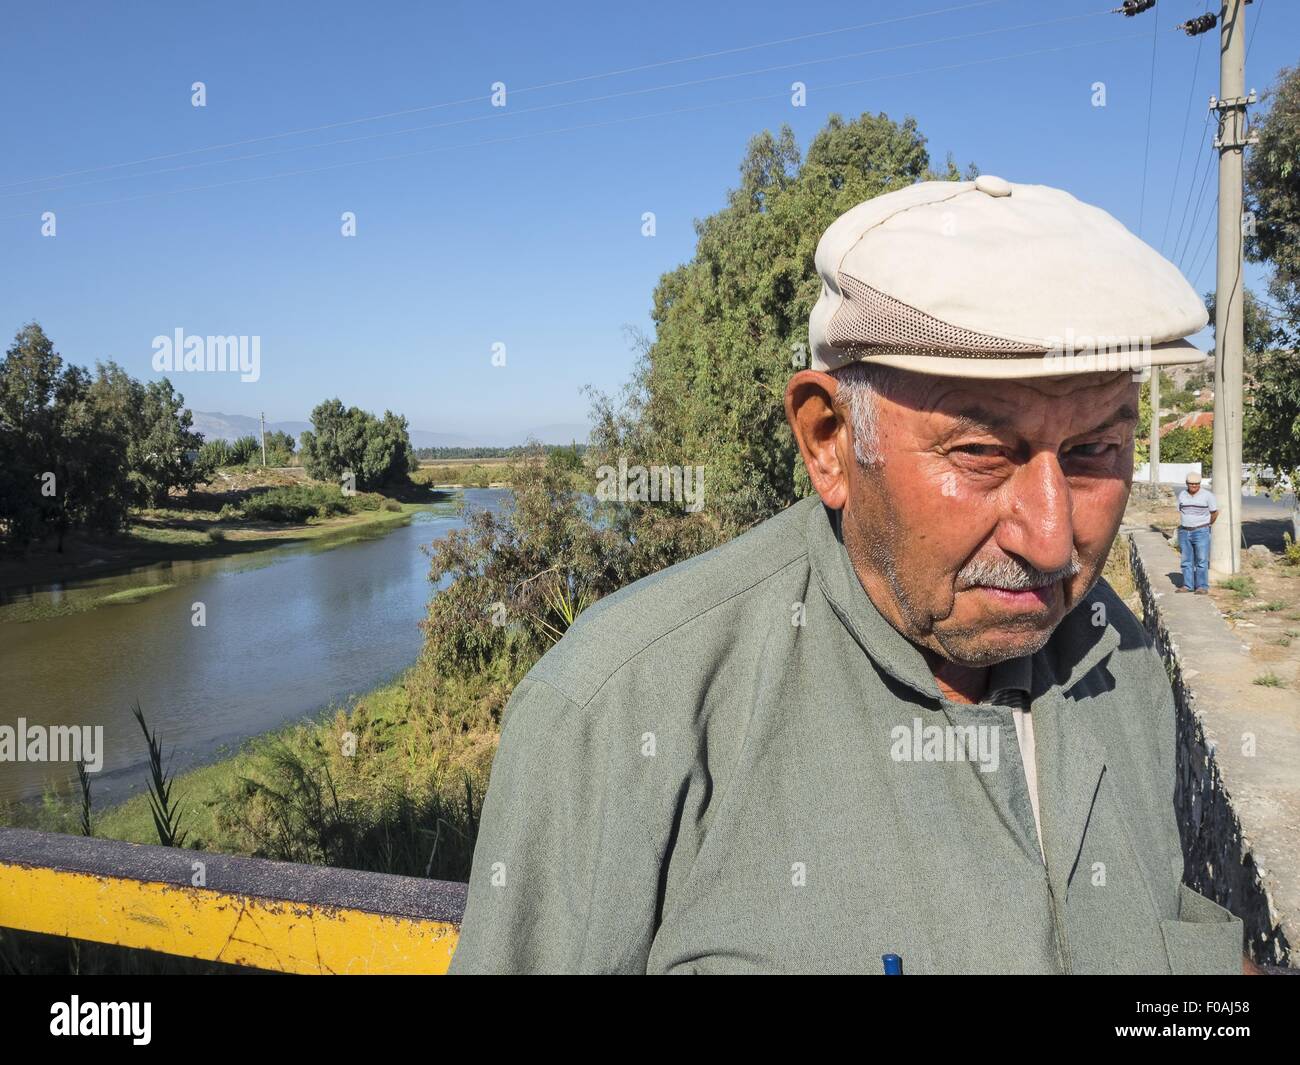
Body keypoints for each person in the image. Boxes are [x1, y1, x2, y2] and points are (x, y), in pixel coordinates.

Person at [450, 177, 1248, 974]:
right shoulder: (620, 713)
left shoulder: (1124, 660)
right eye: (979, 452)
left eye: (1092, 452)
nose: (1049, 539)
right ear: (827, 439)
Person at [1176, 471, 1219, 594]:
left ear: (1200, 484)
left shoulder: (1208, 496)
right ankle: (1187, 585)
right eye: (1191, 484)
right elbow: (1180, 510)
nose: (1194, 486)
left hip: (1201, 531)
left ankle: (1201, 587)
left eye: (1196, 484)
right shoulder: (1182, 495)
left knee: (1201, 560)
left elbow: (1215, 513)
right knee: (1186, 560)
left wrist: (1207, 524)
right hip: (1184, 531)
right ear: (1187, 484)